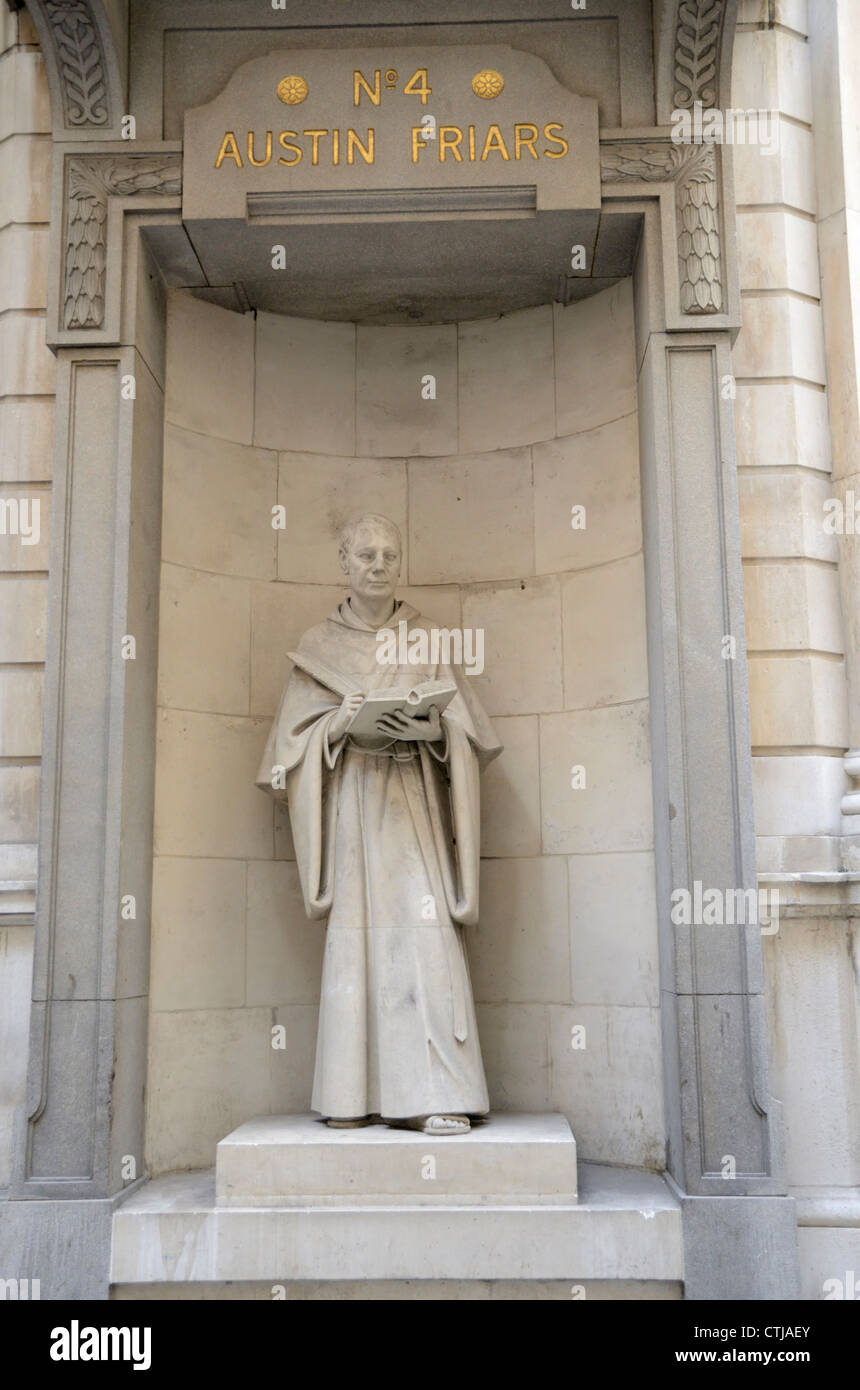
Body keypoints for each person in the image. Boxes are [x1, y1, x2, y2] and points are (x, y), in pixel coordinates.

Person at [256, 513, 502, 1134]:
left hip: (413, 800)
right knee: (357, 944)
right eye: (365, 554)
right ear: (344, 562)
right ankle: (350, 1094)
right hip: (352, 801)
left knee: (427, 943)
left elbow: (471, 735)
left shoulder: (426, 640)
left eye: (389, 555)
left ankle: (435, 1093)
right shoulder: (318, 646)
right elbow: (285, 756)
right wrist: (340, 726)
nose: (378, 565)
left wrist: (433, 731)